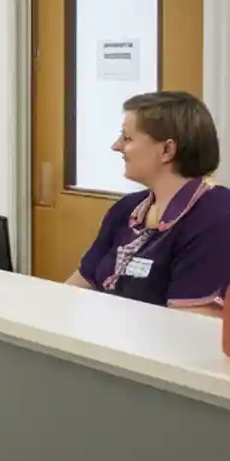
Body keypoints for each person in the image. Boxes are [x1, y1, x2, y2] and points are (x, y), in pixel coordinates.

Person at [66, 91, 230, 316]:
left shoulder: (216, 217)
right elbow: (77, 287)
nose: (116, 146)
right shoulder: (126, 209)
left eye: (127, 138)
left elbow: (193, 327)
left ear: (167, 150)